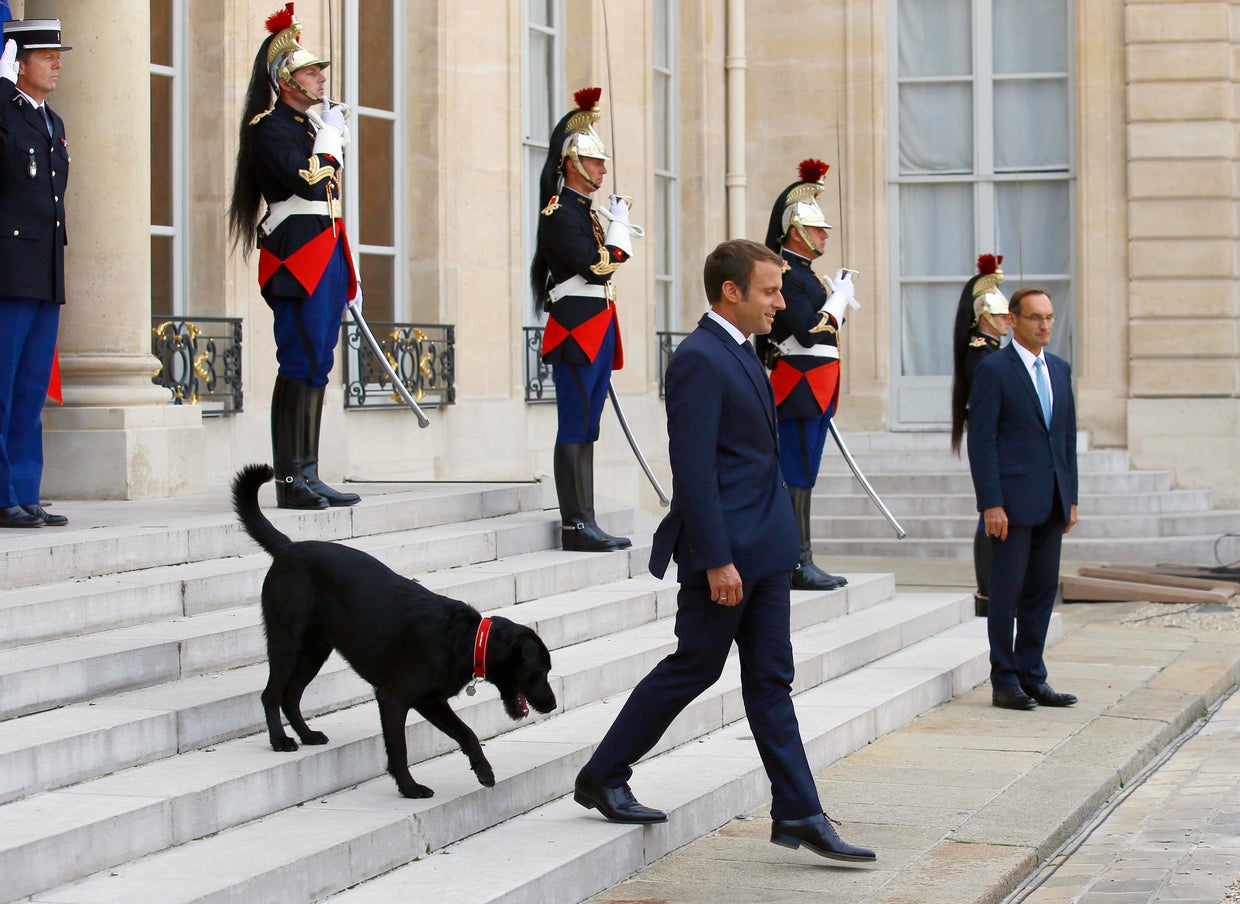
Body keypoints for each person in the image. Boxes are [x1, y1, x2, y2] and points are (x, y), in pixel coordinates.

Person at [573, 239, 876, 863]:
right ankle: (602, 774)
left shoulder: (741, 351)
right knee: (695, 666)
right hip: (726, 559)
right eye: (770, 291)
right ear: (731, 291)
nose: (782, 303)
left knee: (769, 683)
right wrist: (715, 559)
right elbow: (694, 470)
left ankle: (798, 813)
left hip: (763, 553)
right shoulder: (698, 359)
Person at [227, 3, 360, 510]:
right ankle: (288, 481)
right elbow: (303, 180)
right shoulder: (271, 127)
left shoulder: (306, 126)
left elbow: (329, 204)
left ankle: (308, 471)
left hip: (323, 254)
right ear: (286, 79)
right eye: (309, 72)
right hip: (293, 257)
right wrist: (328, 143)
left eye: (319, 72)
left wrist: (348, 266)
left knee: (319, 364)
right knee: (299, 359)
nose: (320, 79)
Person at [530, 87, 634, 552]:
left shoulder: (585, 213)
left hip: (595, 326)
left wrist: (612, 229)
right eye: (596, 161)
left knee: (588, 427)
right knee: (574, 425)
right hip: (576, 330)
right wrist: (617, 235)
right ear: (573, 162)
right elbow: (594, 265)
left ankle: (585, 518)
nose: (603, 169)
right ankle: (574, 524)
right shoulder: (559, 213)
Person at [967, 287, 1078, 711]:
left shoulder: (1061, 369)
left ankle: (1034, 676)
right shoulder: (995, 369)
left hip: (1051, 501)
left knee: (1041, 591)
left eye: (1049, 317)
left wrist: (1071, 497)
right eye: (1035, 317)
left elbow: (1065, 438)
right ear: (1013, 320)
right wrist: (990, 502)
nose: (1045, 325)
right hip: (1010, 505)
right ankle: (1004, 680)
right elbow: (983, 439)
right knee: (1007, 591)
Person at [755, 159, 856, 591]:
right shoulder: (787, 274)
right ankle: (797, 561)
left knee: (805, 474)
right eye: (818, 230)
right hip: (797, 382)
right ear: (796, 230)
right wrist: (837, 302)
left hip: (815, 382)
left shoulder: (805, 275)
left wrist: (834, 297)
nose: (825, 236)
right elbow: (810, 332)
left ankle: (802, 557)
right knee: (796, 473)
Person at [0, 19, 71, 528]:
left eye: (56, 54)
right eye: (45, 55)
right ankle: (3, 495)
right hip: (8, 269)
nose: (56, 62)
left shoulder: (52, 121)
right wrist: (1, 90)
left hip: (44, 270)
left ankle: (25, 491)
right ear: (17, 62)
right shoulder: (4, 112)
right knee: (2, 388)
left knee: (29, 392)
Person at [950, 254, 1012, 616]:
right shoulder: (982, 355)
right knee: (989, 513)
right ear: (985, 317)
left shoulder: (990, 352)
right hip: (993, 439)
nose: (1006, 321)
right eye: (1002, 316)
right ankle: (987, 592)